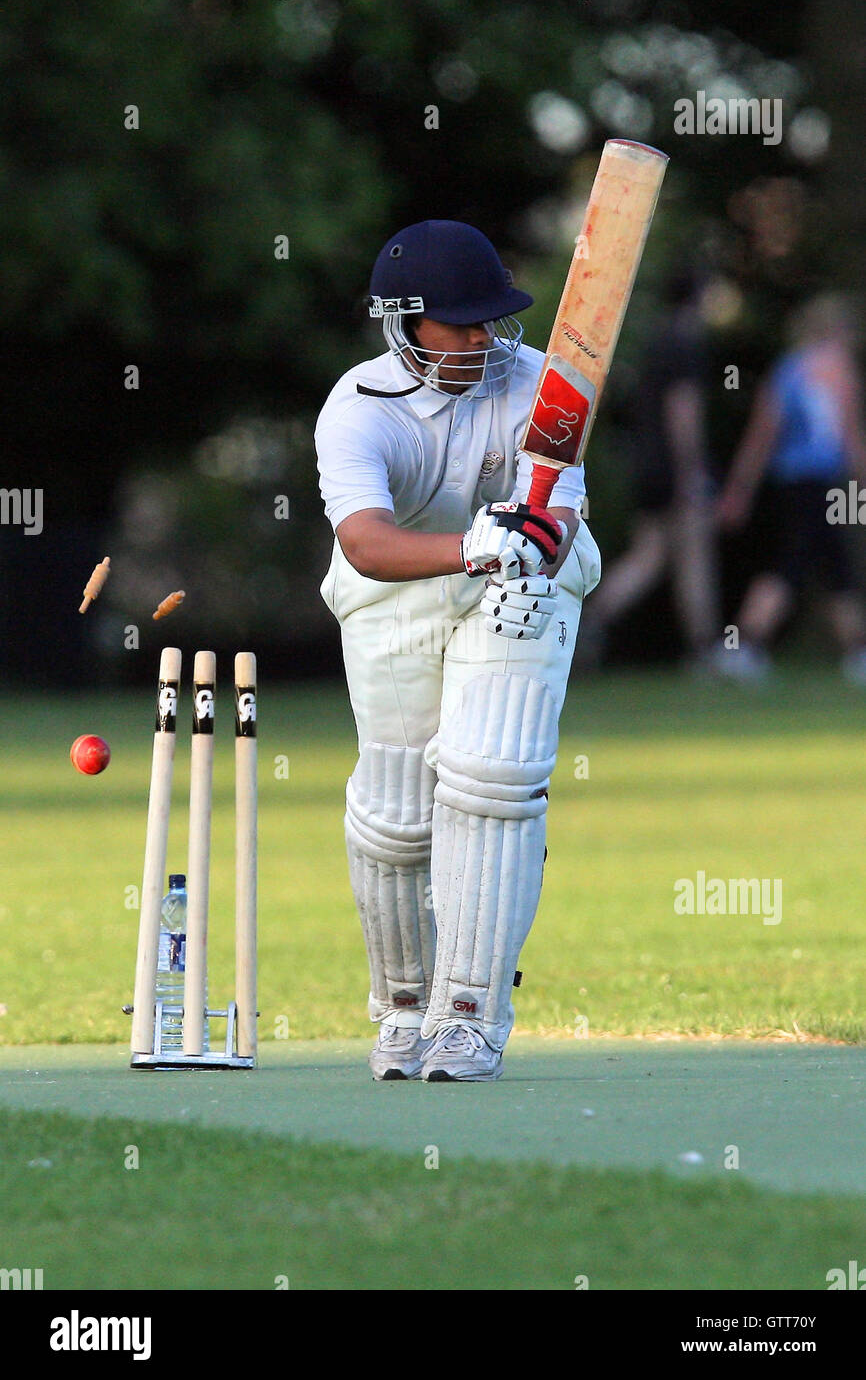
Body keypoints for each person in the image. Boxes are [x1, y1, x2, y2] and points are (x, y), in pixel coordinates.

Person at [315, 220, 601, 1081]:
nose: (482, 339)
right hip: (397, 589)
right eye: (461, 323)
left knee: (493, 777)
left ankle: (471, 1014)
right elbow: (366, 543)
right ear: (403, 322)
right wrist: (472, 545)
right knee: (396, 815)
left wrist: (529, 543)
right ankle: (405, 1004)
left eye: (490, 320)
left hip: (518, 582)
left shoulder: (543, 383)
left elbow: (561, 514)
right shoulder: (357, 407)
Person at [714, 294, 866, 682]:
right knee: (794, 564)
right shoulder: (841, 369)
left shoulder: (788, 370)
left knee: (832, 565)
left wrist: (739, 490)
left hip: (790, 482)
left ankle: (856, 650)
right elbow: (850, 437)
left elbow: (761, 436)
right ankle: (745, 643)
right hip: (823, 483)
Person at [577, 267, 718, 668]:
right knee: (695, 557)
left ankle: (590, 619)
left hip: (648, 466)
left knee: (650, 557)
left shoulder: (657, 341)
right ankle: (706, 650)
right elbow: (683, 412)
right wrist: (692, 471)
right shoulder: (685, 344)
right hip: (674, 467)